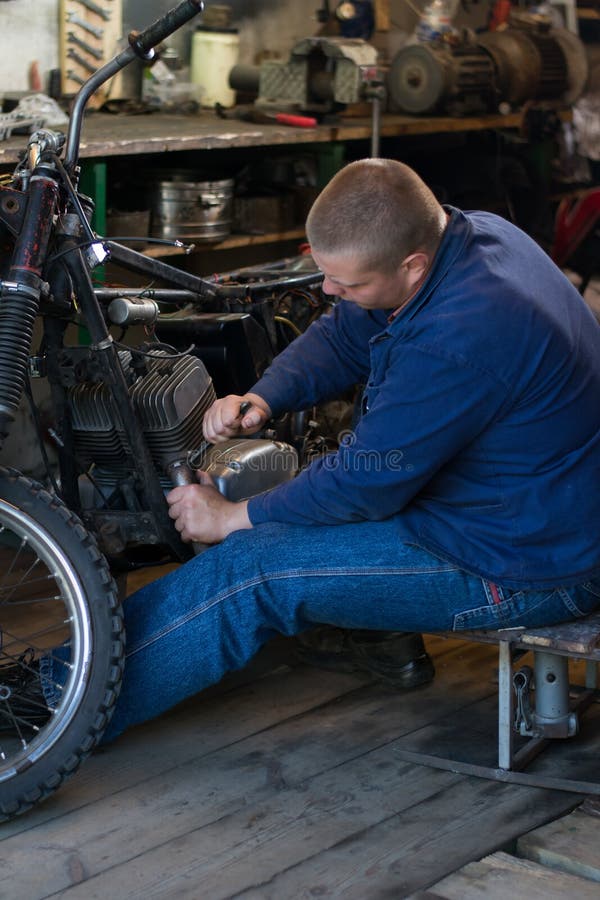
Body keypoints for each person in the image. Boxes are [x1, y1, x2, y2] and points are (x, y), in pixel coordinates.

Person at [47, 158, 600, 742]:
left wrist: (234, 517)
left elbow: (367, 480)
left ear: (411, 266)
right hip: (525, 511)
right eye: (328, 276)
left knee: (250, 569)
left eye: (349, 283)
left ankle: (54, 708)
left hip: (524, 566)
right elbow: (348, 330)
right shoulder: (469, 237)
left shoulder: (462, 336)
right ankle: (377, 633)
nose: (332, 291)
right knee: (298, 493)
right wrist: (265, 395)